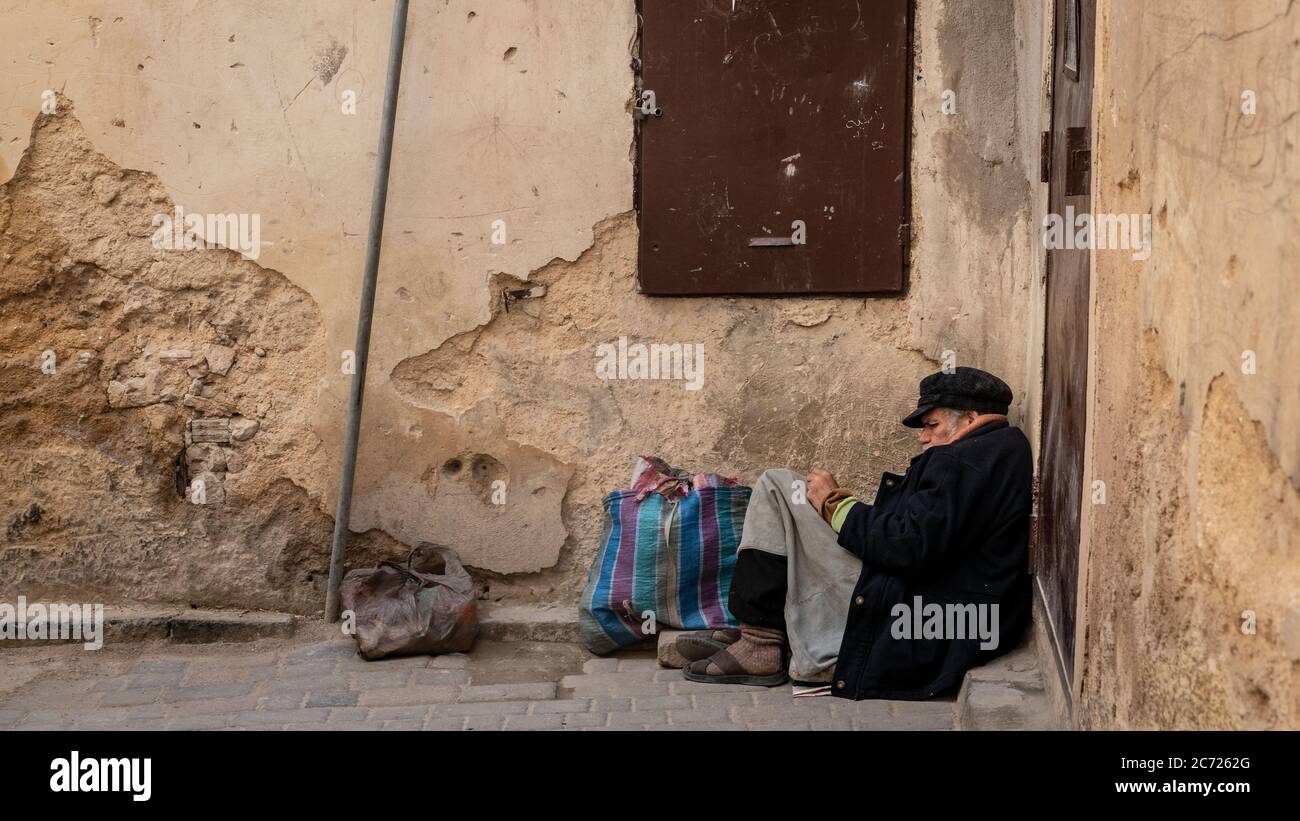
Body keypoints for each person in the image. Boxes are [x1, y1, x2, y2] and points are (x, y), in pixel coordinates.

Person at [678, 367, 1034, 700]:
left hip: (906, 613)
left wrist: (838, 506)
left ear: (970, 418)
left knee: (777, 487)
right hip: (924, 606)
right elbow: (923, 535)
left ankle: (760, 642)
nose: (923, 437)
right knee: (785, 491)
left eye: (931, 425)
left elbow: (908, 546)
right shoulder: (997, 450)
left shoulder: (960, 461)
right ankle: (765, 631)